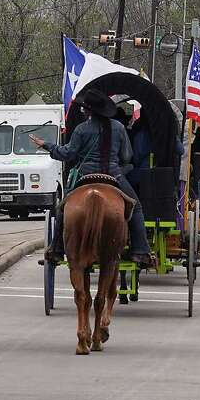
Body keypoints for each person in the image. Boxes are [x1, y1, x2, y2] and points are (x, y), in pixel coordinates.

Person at [30, 89, 151, 267]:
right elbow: (127, 156)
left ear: (89, 111)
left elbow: (68, 153)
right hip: (113, 175)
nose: (82, 111)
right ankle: (140, 251)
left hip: (85, 175)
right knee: (136, 207)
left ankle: (56, 249)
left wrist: (47, 145)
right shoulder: (118, 127)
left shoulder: (81, 129)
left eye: (84, 109)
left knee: (62, 208)